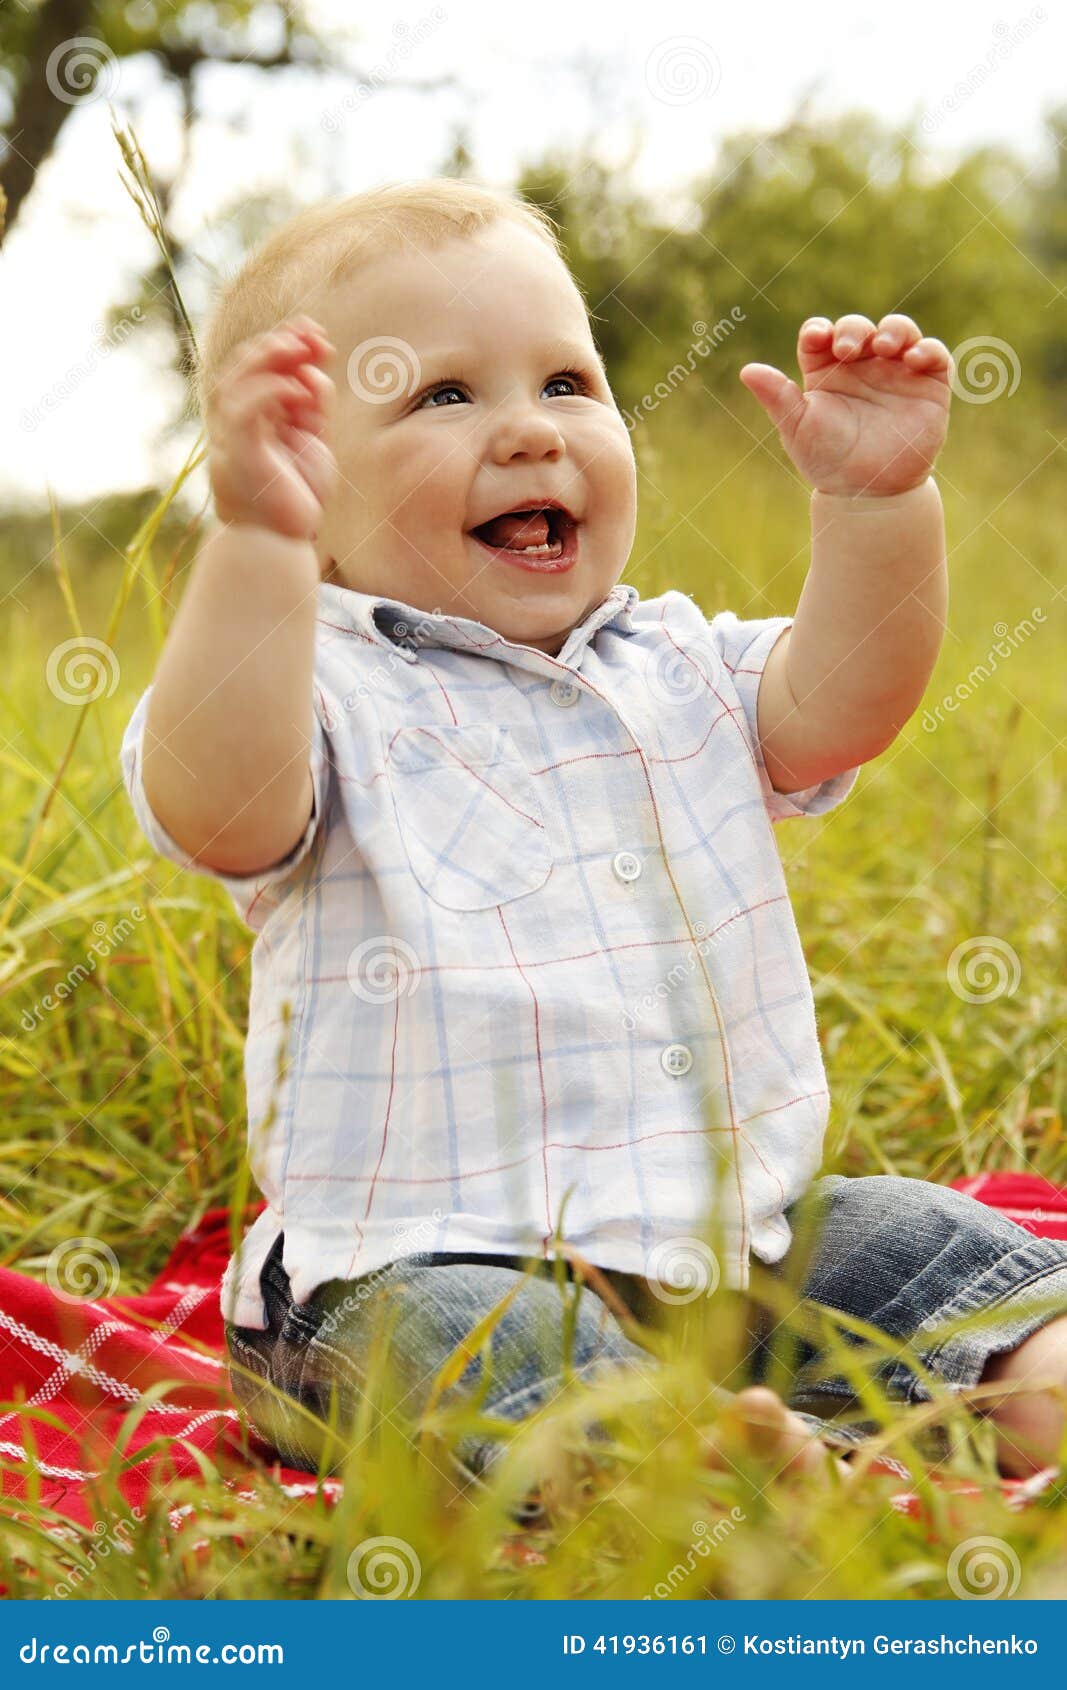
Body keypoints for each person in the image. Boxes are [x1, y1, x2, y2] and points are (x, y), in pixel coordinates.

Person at [120, 178, 1067, 1504]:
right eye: (441, 396)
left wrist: (874, 507)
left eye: (566, 379)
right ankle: (697, 1478)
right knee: (462, 1351)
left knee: (917, 1241)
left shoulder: (671, 659)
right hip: (403, 1265)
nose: (527, 431)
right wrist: (256, 552)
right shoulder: (314, 684)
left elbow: (846, 698)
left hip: (731, 1252)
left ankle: (1035, 1385)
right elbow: (222, 806)